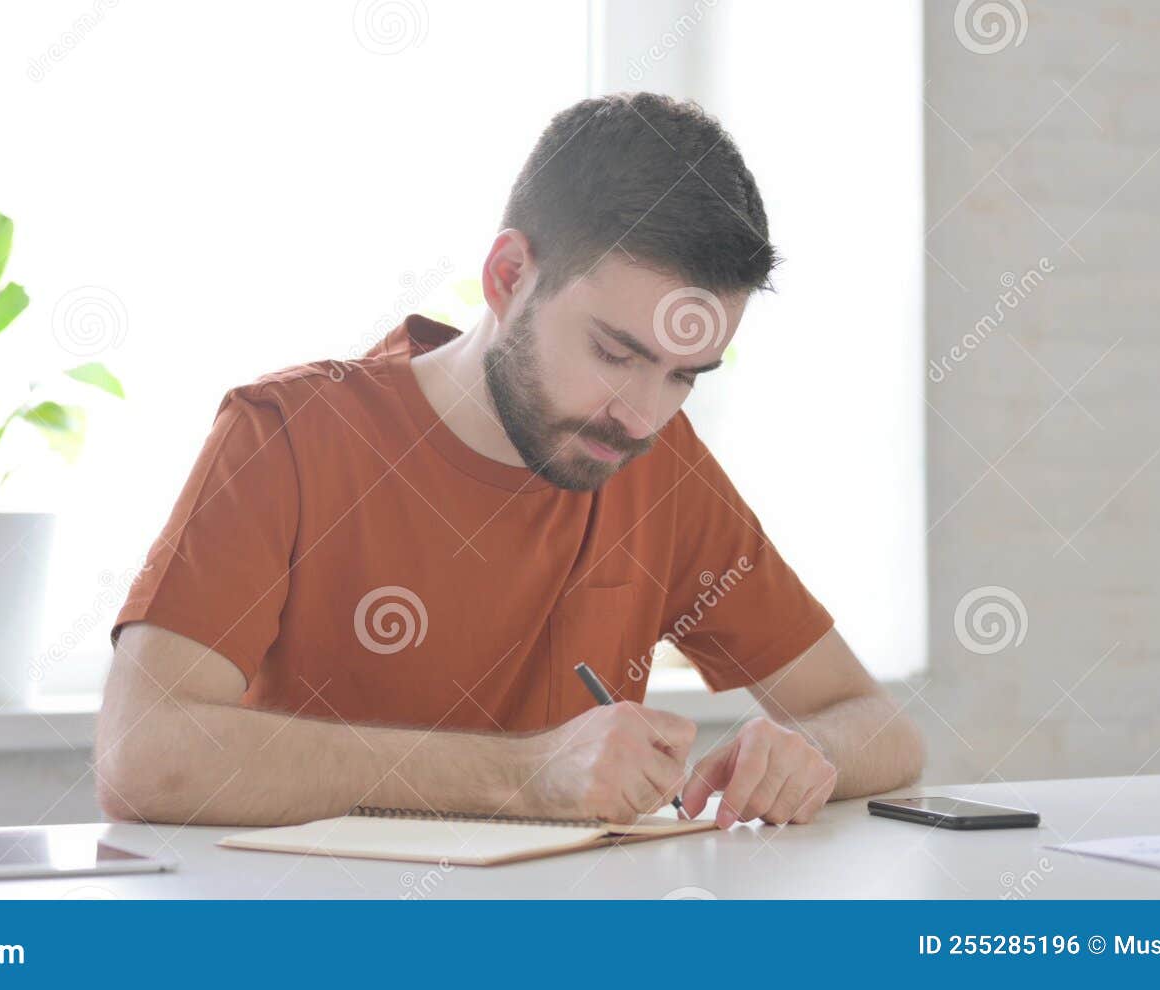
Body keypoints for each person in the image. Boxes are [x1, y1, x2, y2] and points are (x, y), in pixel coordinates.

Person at [97, 92, 924, 830]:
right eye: (613, 352)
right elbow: (147, 757)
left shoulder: (655, 462)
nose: (642, 415)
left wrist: (798, 752)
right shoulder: (288, 435)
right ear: (507, 277)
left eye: (684, 377)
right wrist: (526, 777)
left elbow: (878, 727)